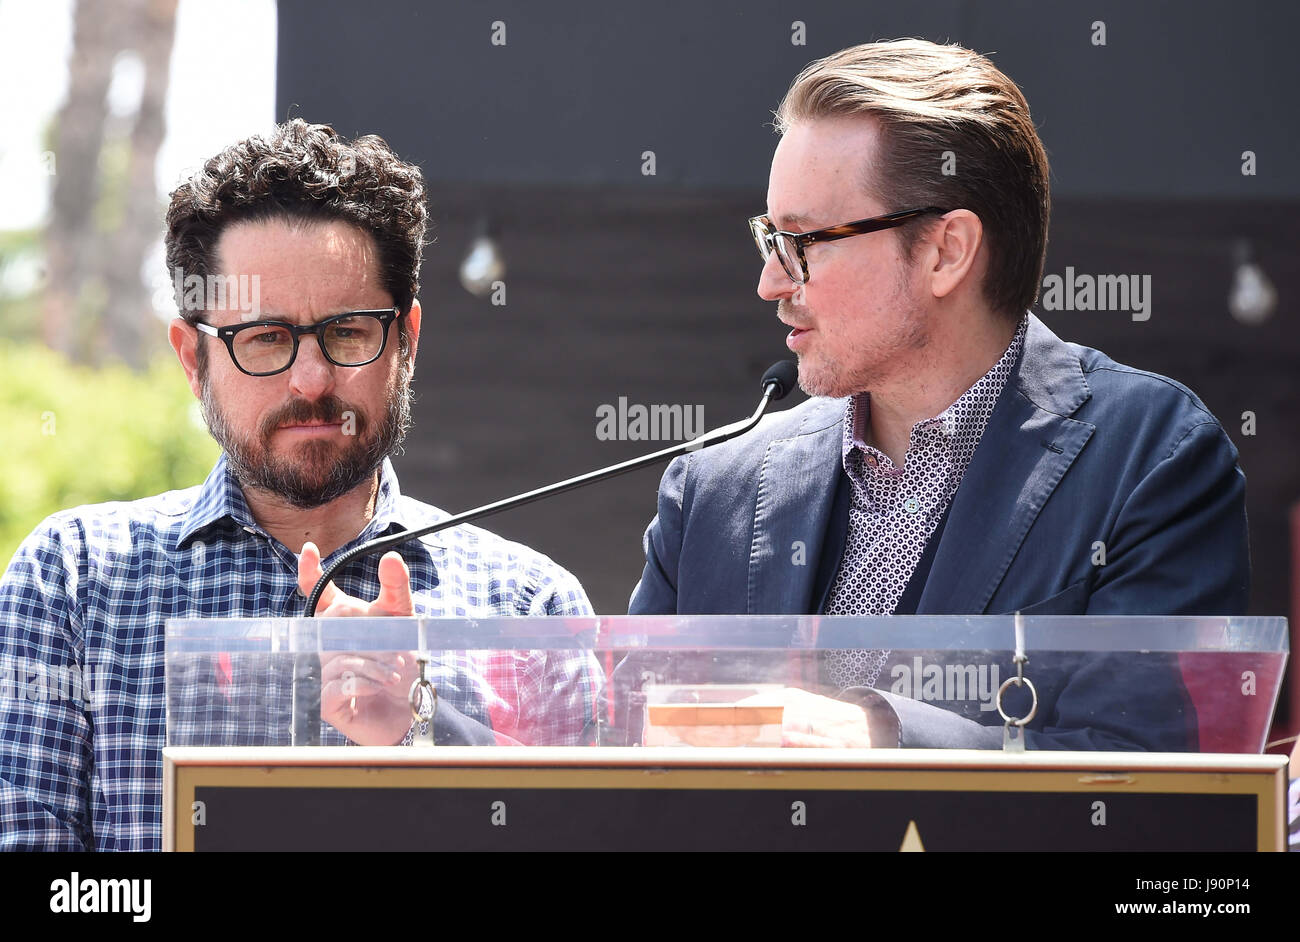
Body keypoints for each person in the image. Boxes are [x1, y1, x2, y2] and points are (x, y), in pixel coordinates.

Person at [627, 40, 1249, 750]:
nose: (770, 283)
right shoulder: (713, 490)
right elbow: (633, 762)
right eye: (770, 237)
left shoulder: (1150, 460)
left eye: (802, 241)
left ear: (946, 251)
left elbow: (1149, 789)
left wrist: (881, 736)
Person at [0, 120, 602, 851]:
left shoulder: (530, 607)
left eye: (348, 333)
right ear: (193, 361)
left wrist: (424, 726)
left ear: (406, 342)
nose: (311, 379)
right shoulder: (75, 581)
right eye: (265, 338)